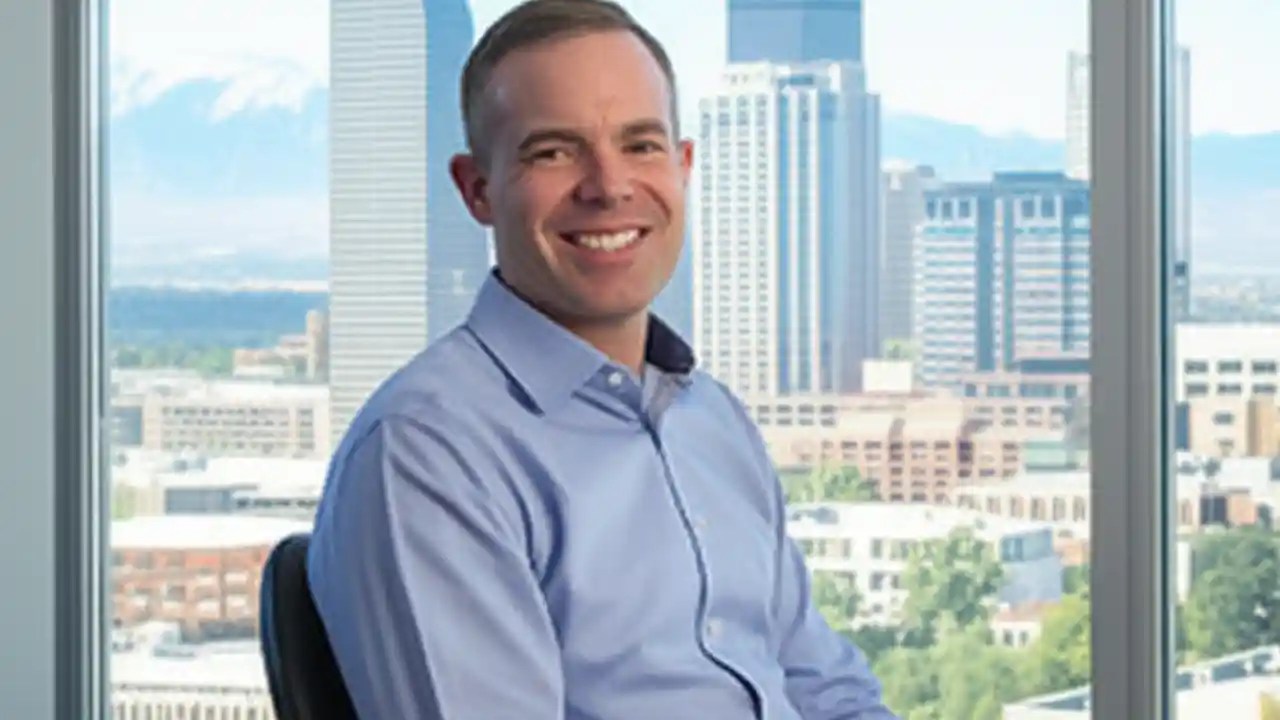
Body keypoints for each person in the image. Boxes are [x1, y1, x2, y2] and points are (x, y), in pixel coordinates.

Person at [307, 0, 898, 717]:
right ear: (478, 190)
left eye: (641, 145)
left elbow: (826, 690)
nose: (610, 185)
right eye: (553, 151)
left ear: (683, 168)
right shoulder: (429, 453)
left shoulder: (711, 419)